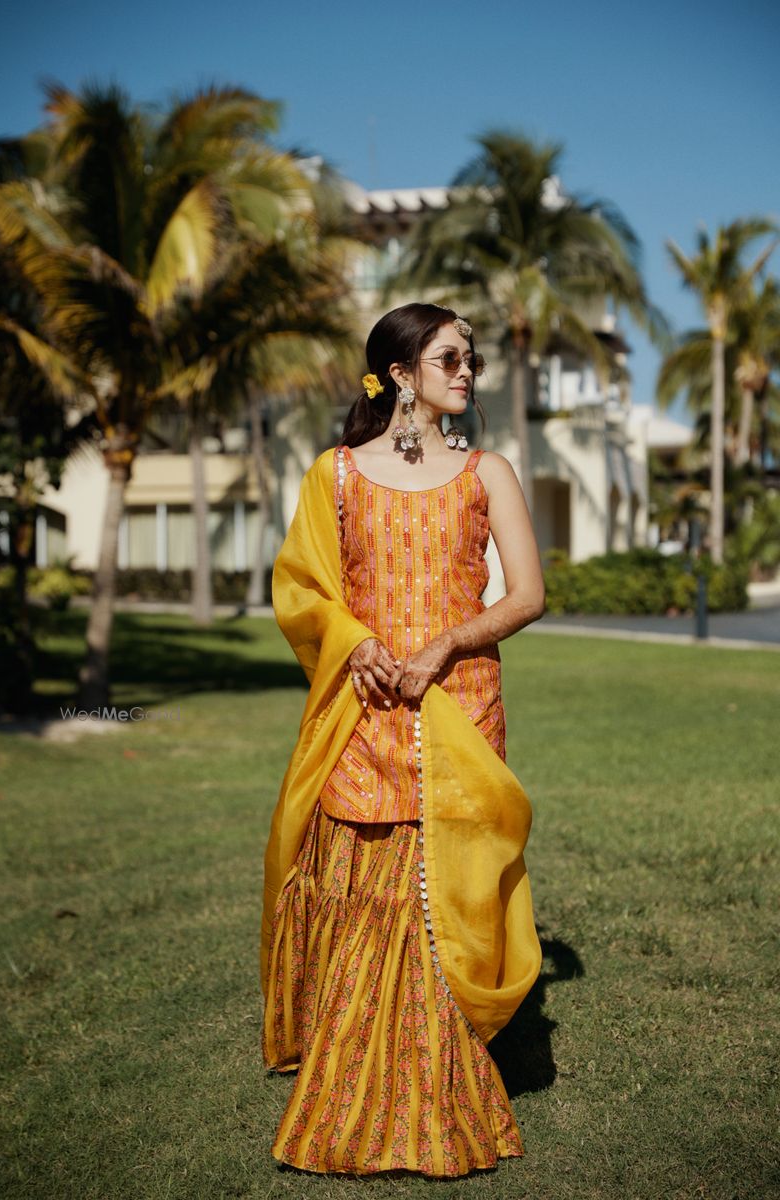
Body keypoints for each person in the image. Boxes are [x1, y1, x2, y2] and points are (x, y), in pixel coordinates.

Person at [261, 302, 544, 1177]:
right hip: (368, 707)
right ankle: (356, 1078)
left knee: (443, 890)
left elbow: (528, 595)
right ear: (397, 373)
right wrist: (363, 650)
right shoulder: (336, 476)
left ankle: (439, 1083)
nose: (467, 372)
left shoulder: (486, 472)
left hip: (459, 709)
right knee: (369, 891)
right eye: (451, 358)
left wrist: (443, 645)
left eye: (472, 360)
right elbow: (305, 591)